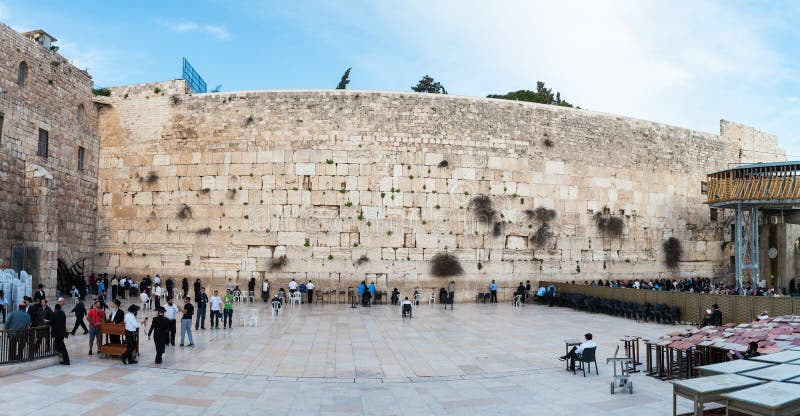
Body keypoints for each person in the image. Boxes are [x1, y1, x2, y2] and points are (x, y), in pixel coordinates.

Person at [52, 299, 70, 365]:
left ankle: (66, 360)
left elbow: (52, 322)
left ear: (55, 309)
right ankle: (60, 355)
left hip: (58, 333)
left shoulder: (55, 314)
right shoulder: (63, 313)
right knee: (59, 345)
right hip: (62, 332)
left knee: (62, 347)